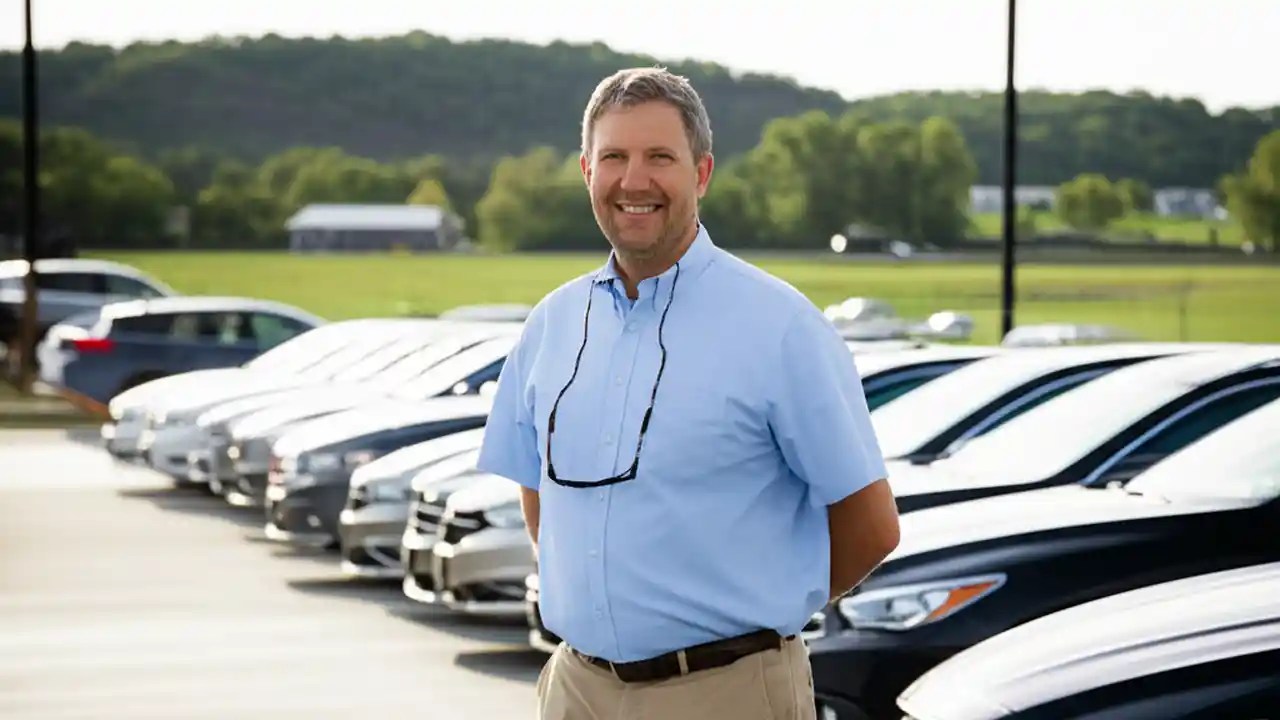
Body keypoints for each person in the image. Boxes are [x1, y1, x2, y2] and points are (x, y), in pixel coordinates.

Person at [476, 66, 901, 720]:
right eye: (613, 157)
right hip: (576, 690)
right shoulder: (551, 326)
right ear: (587, 170)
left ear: (700, 174)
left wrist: (756, 617)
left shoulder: (781, 327)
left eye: (659, 157)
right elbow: (542, 501)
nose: (633, 180)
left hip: (727, 692)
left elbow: (870, 525)